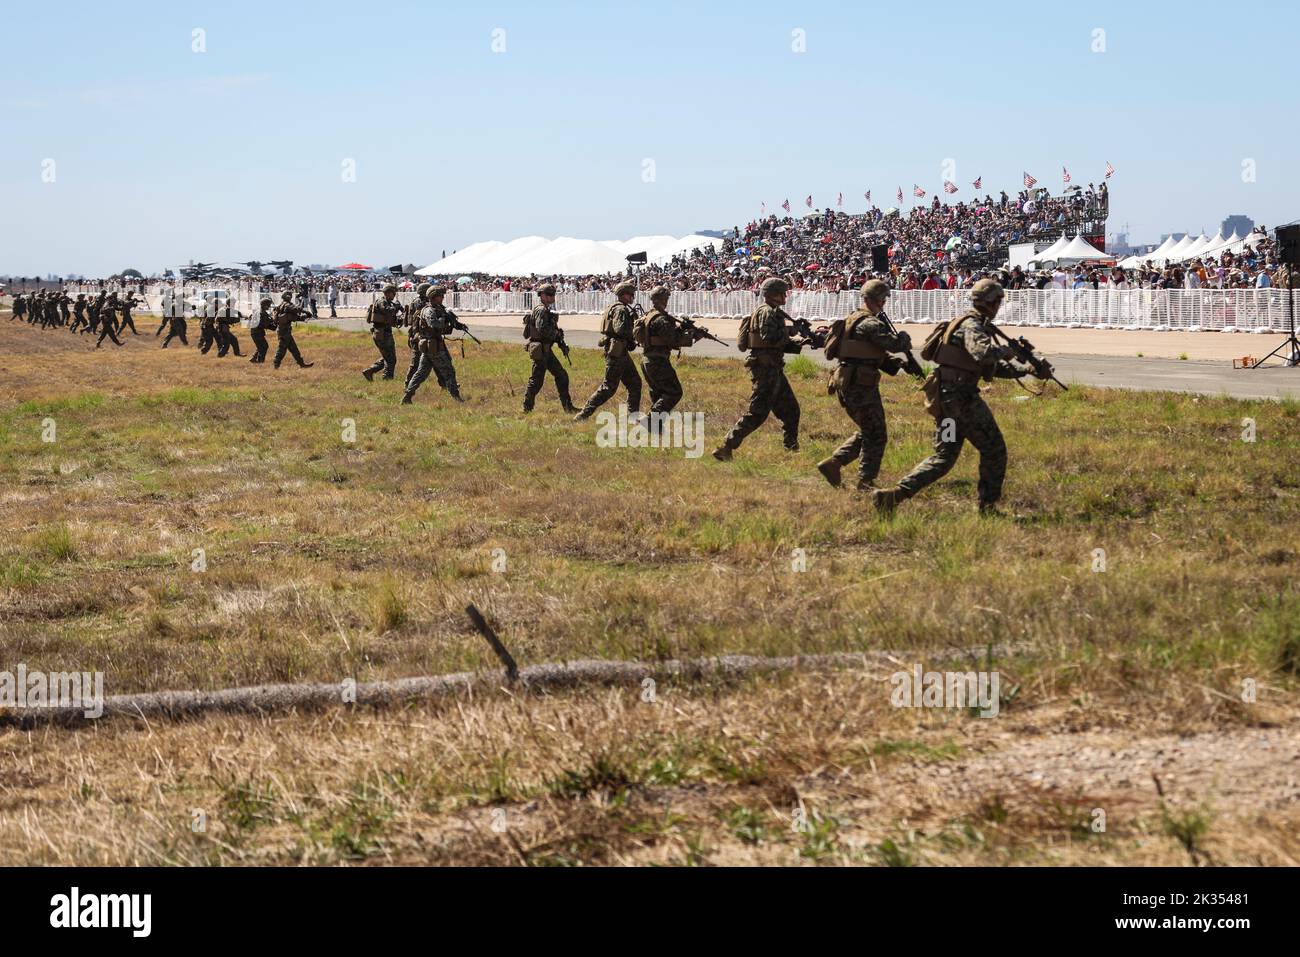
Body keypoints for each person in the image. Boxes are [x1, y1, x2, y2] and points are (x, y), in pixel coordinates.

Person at [873, 279, 1052, 515]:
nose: (999, 306)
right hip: (962, 402)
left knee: (944, 456)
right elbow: (983, 355)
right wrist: (1010, 352)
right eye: (998, 301)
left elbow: (986, 368)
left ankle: (894, 495)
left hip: (946, 402)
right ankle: (987, 508)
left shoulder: (967, 323)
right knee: (994, 449)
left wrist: (1027, 370)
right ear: (990, 303)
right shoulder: (973, 326)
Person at [816, 279, 914, 491]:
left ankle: (834, 464)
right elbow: (894, 344)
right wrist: (904, 338)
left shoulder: (854, 318)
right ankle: (865, 481)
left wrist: (899, 365)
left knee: (870, 429)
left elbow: (867, 353)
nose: (885, 302)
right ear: (877, 299)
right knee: (876, 433)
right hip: (860, 385)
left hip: (850, 381)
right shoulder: (870, 322)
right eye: (883, 298)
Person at [712, 276, 806, 460]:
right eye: (782, 293)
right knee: (757, 413)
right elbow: (769, 336)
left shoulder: (771, 311)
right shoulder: (768, 312)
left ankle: (791, 448)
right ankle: (726, 446)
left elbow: (773, 342)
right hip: (766, 370)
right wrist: (790, 332)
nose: (785, 297)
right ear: (773, 295)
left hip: (773, 368)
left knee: (791, 410)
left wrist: (798, 341)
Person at [575, 280, 642, 420]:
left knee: (635, 382)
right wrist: (634, 331)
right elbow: (620, 329)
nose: (632, 297)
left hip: (620, 351)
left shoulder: (615, 307)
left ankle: (633, 415)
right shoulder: (621, 310)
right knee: (608, 388)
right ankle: (584, 414)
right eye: (630, 294)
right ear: (623, 295)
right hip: (616, 353)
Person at [637, 285, 696, 429]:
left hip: (648, 360)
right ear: (663, 299)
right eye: (666, 298)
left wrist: (682, 328)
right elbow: (674, 340)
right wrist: (691, 335)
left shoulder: (650, 314)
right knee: (674, 392)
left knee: (659, 393)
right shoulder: (661, 319)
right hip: (657, 361)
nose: (667, 300)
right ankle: (650, 419)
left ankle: (656, 427)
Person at [403, 285, 464, 404]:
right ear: (434, 297)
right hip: (433, 347)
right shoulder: (429, 310)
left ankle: (407, 396)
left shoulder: (437, 308)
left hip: (431, 347)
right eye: (440, 296)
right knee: (449, 372)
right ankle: (456, 398)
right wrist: (444, 319)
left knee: (421, 374)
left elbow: (443, 323)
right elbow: (434, 325)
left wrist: (457, 324)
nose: (442, 298)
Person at [521, 283, 576, 413]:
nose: (553, 297)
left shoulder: (545, 310)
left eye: (553, 294)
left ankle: (568, 407)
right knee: (536, 381)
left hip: (546, 350)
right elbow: (542, 329)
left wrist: (558, 339)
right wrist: (555, 334)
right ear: (543, 296)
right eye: (550, 295)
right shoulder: (541, 310)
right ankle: (527, 408)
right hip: (541, 350)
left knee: (561, 376)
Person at [362, 284, 402, 381]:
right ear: (388, 293)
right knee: (390, 358)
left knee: (388, 356)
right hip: (382, 333)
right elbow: (387, 311)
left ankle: (370, 371)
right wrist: (396, 307)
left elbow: (389, 317)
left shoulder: (387, 302)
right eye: (393, 293)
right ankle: (387, 378)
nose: (394, 295)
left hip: (384, 332)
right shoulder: (382, 302)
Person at [272, 290, 314, 369]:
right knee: (282, 350)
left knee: (294, 349)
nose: (290, 297)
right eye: (289, 295)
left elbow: (293, 317)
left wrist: (305, 316)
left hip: (285, 331)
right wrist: (305, 311)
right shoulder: (286, 305)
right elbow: (296, 309)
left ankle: (301, 364)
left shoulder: (283, 305)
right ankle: (276, 365)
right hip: (284, 331)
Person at [248, 297, 272, 362]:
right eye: (268, 305)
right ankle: (260, 361)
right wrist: (271, 322)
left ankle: (254, 358)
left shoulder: (258, 311)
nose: (269, 307)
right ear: (264, 305)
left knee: (261, 346)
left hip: (255, 332)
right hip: (257, 333)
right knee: (264, 347)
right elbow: (263, 324)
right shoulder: (262, 313)